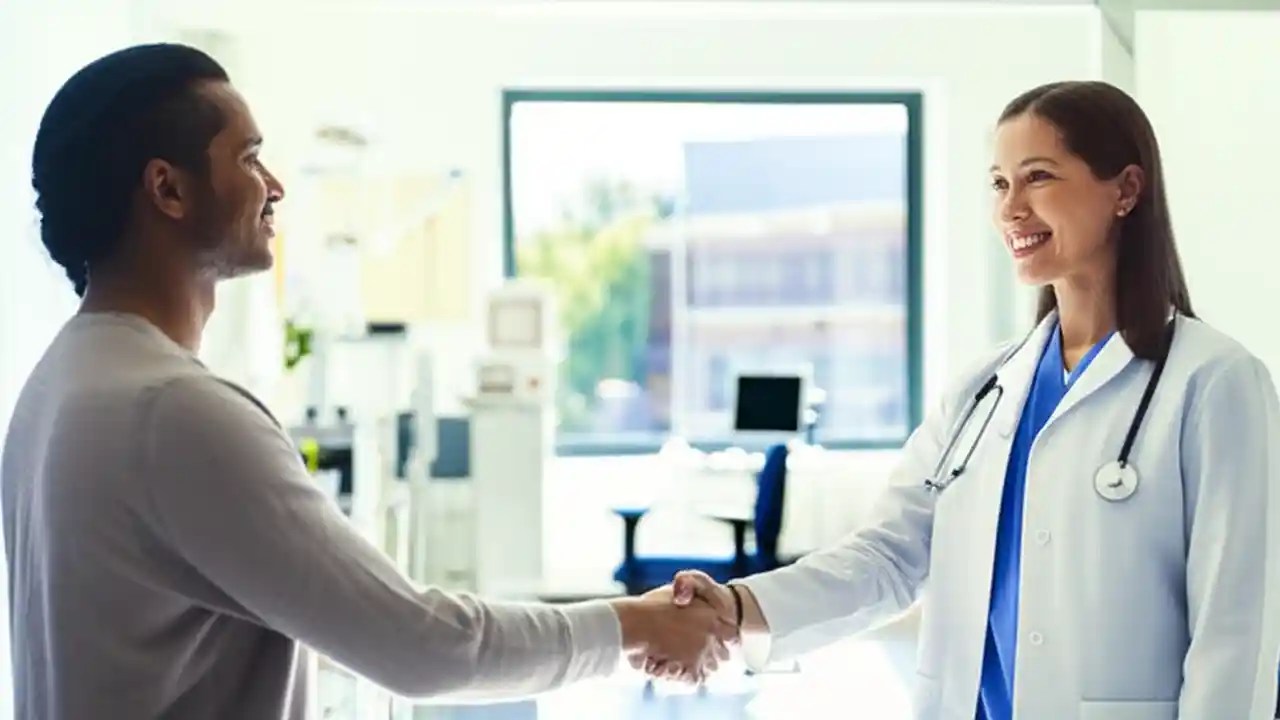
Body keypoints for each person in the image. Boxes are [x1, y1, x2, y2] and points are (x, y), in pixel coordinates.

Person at [0, 43, 733, 720]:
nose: (274, 185)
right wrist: (632, 626)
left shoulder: (58, 386)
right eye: (250, 158)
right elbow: (422, 648)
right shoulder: (173, 410)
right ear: (168, 189)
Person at [646, 80, 1280, 719]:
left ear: (1126, 190)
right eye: (1000, 184)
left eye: (1039, 178)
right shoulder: (984, 390)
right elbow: (888, 556)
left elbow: (1236, 630)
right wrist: (736, 607)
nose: (1011, 209)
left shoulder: (1214, 382)